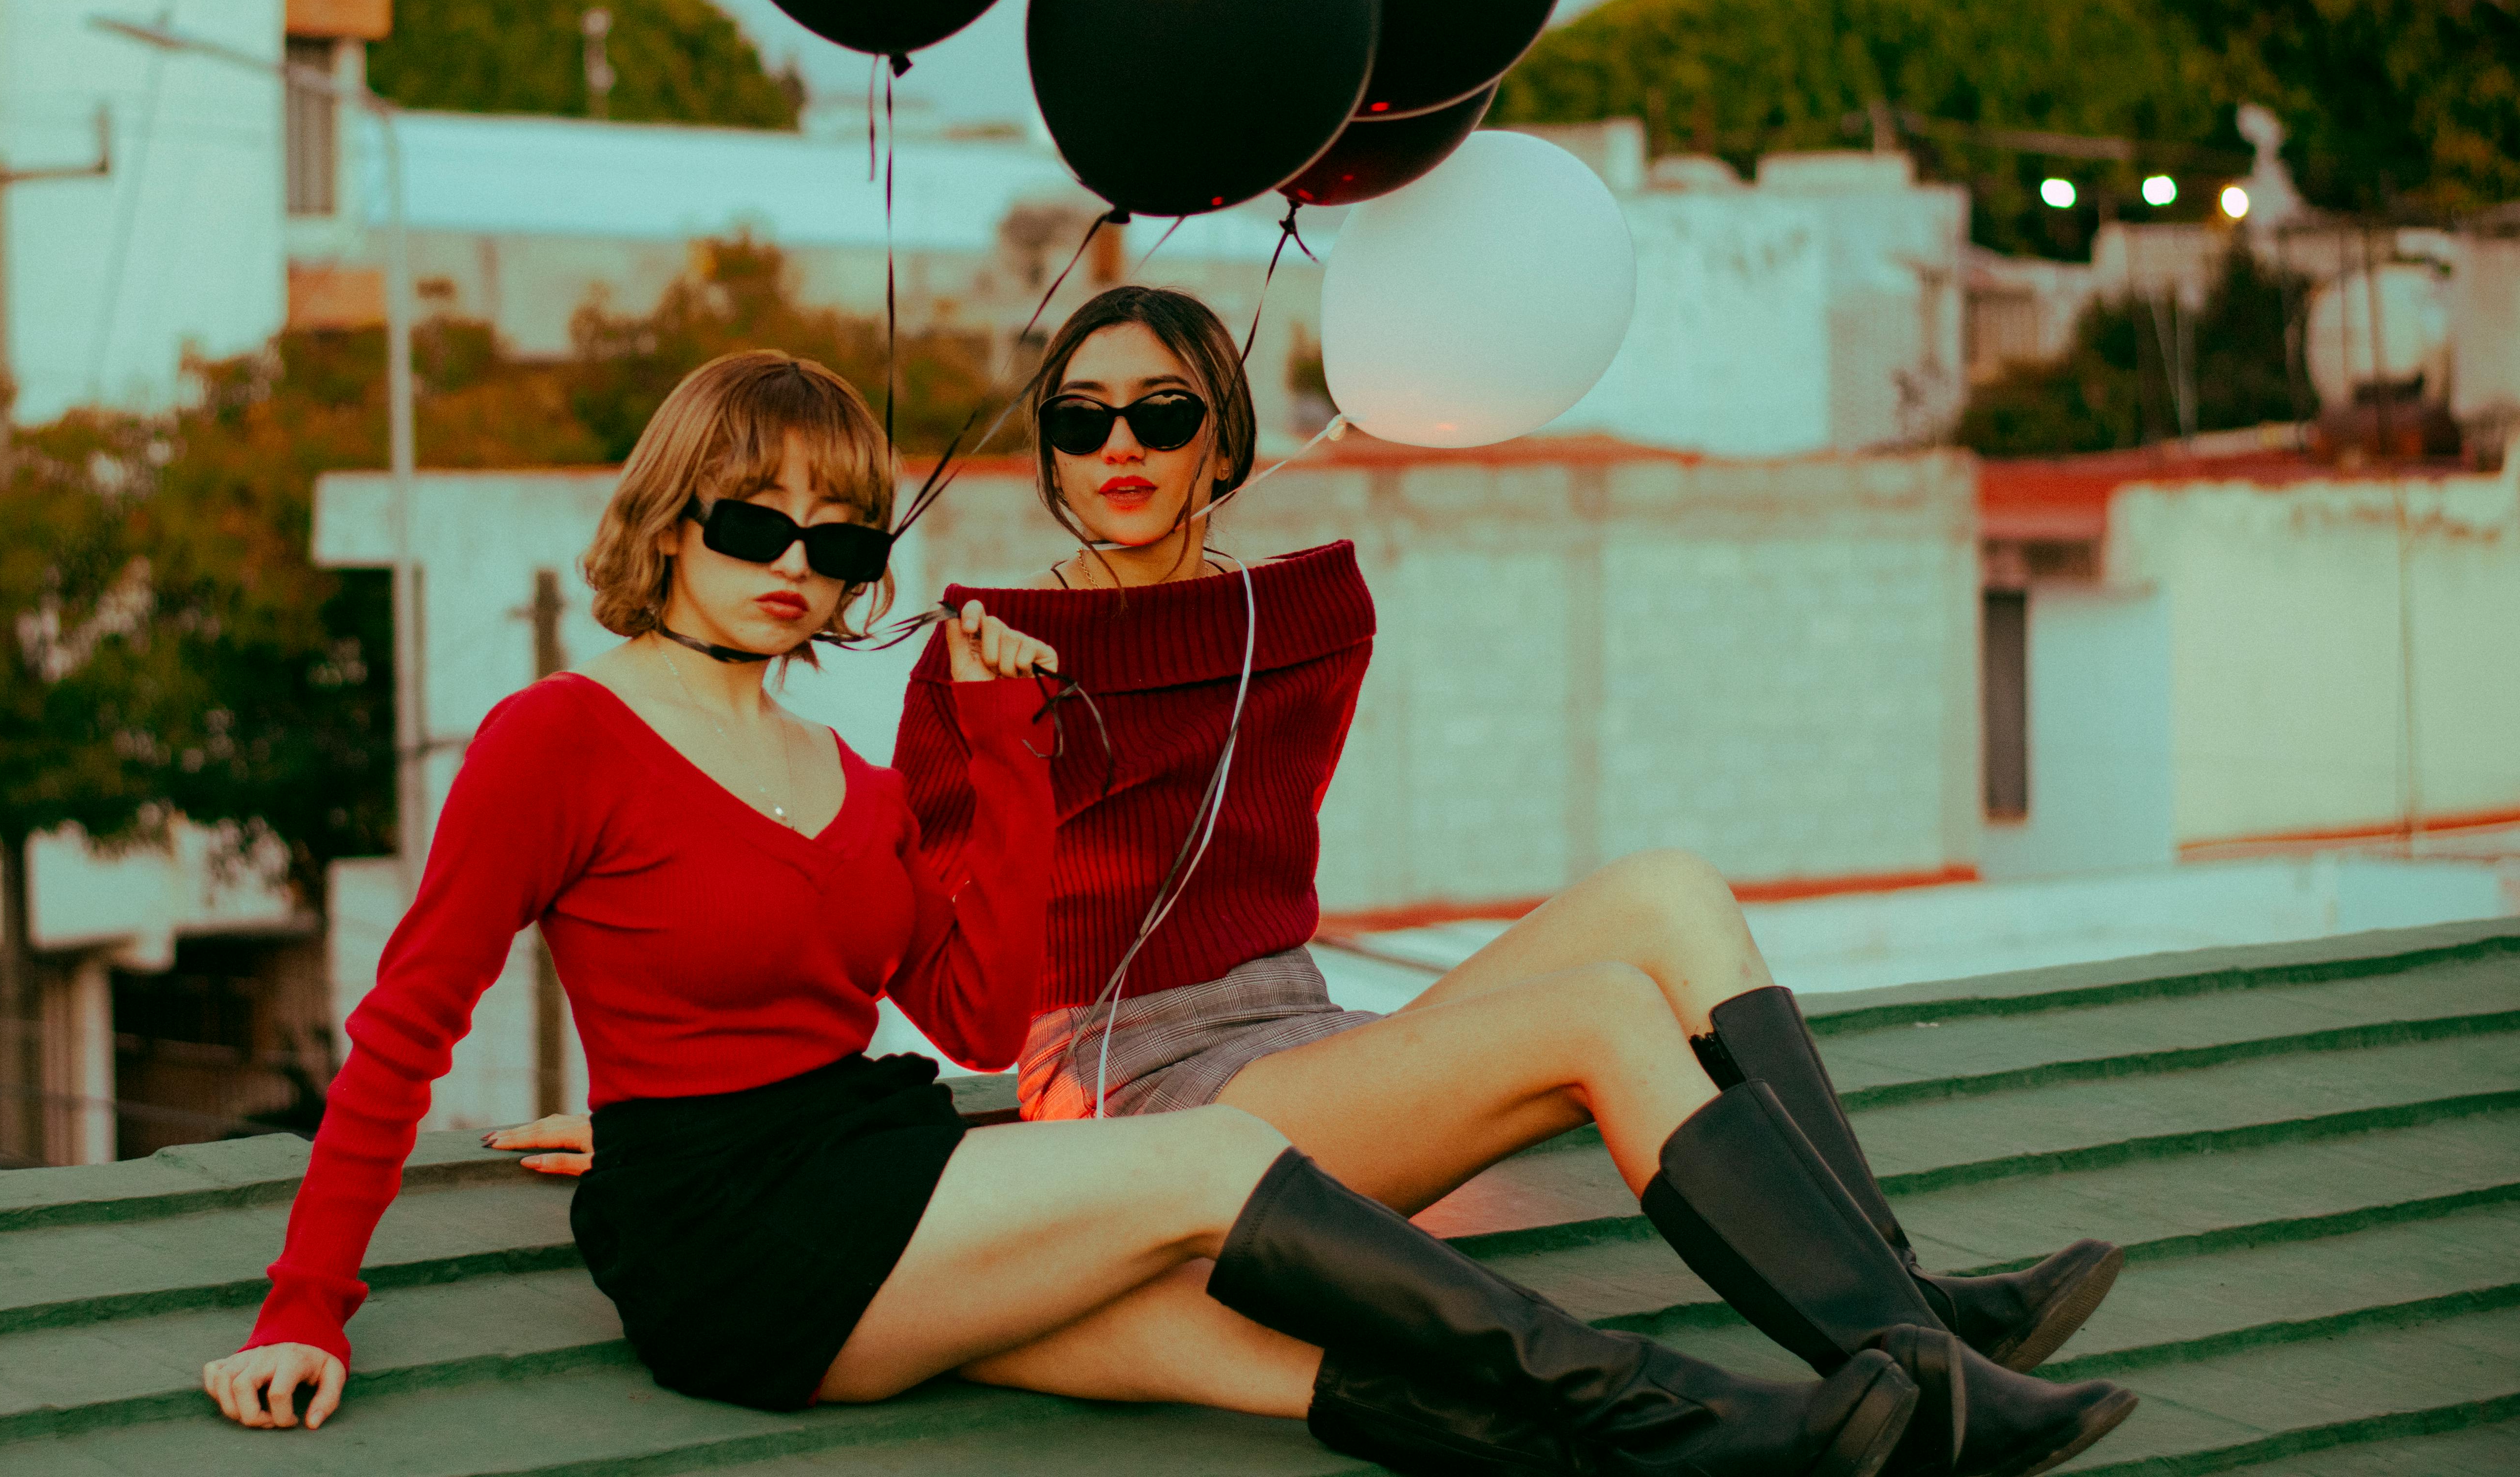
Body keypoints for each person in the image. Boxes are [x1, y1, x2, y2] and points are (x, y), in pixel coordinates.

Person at [199, 349, 1921, 1477]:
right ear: (666, 524)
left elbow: (963, 1018)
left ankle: (1726, 1443)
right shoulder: (557, 738)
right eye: (750, 523)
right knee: (1211, 1171)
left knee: (1251, 1360)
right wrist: (300, 1306)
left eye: (840, 543)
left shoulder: (848, 774)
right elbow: (404, 1030)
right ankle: (1690, 1405)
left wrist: (1016, 748)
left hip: (874, 1173)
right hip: (726, 1246)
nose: (794, 564)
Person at [876, 285, 2138, 1477]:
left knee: (1669, 892)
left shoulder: (1291, 623)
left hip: (1305, 1046)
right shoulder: (984, 663)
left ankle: (1906, 1300)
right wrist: (1011, 729)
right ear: (1047, 456)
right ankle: (1916, 1362)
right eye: (1080, 420)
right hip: (1148, 1111)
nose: (1120, 447)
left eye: (1163, 412)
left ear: (1224, 438)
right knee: (1597, 1011)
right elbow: (967, 970)